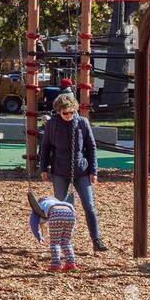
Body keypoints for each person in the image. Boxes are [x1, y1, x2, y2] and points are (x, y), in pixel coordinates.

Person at [39, 92, 105, 252]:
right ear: (58, 111)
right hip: (60, 171)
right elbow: (46, 147)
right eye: (65, 113)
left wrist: (93, 171)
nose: (68, 116)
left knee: (89, 206)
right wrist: (43, 168)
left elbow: (91, 147)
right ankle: (61, 240)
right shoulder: (52, 125)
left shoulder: (82, 123)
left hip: (81, 170)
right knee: (61, 208)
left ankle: (96, 240)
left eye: (71, 112)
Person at [29, 194, 78, 271]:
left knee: (55, 242)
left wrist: (39, 236)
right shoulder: (59, 202)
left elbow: (33, 222)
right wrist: (73, 227)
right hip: (70, 215)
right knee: (66, 241)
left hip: (56, 214)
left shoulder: (38, 206)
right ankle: (71, 263)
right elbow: (73, 211)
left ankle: (56, 264)